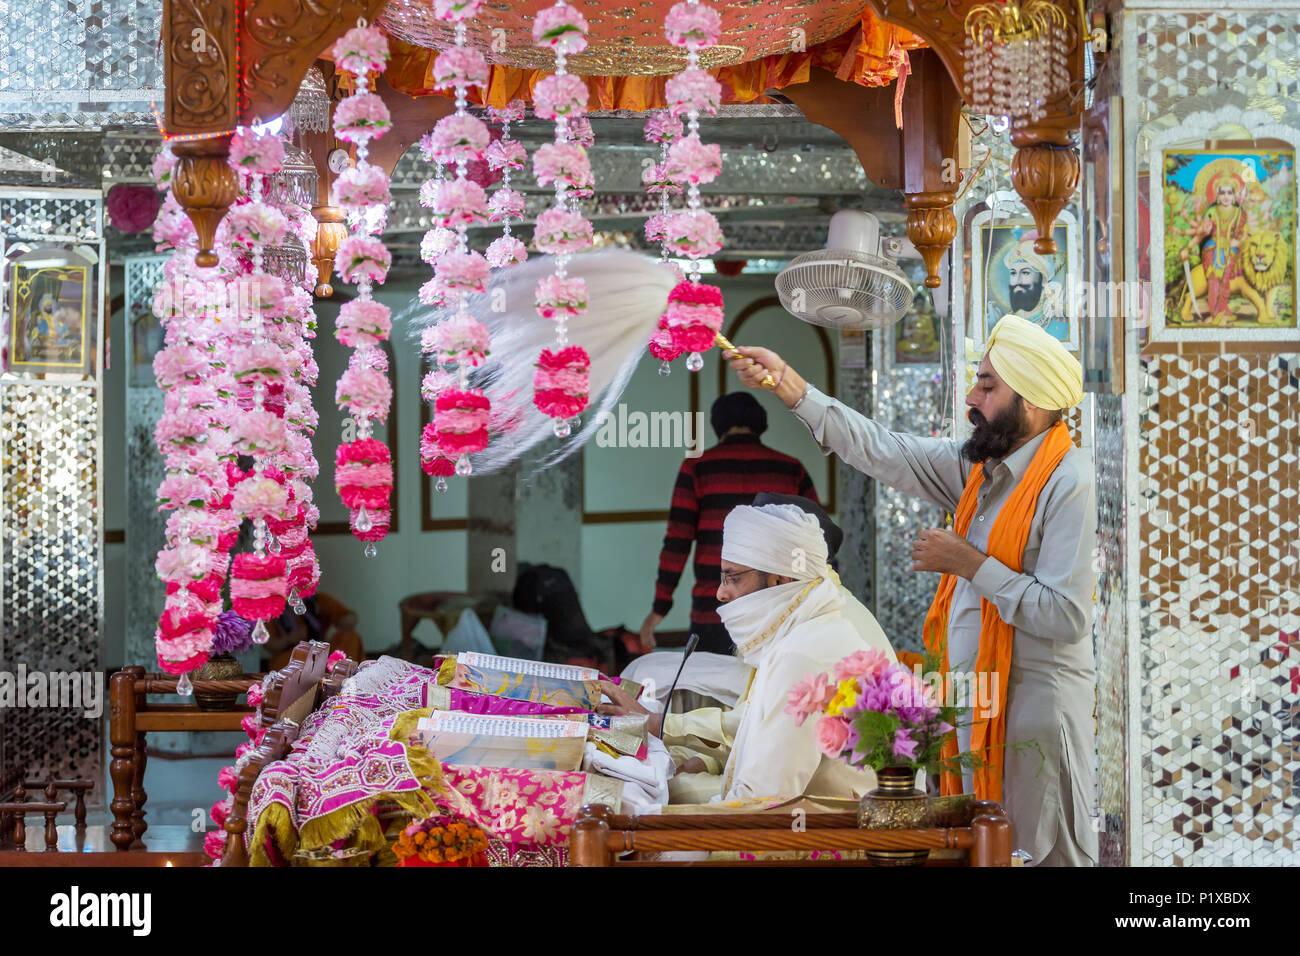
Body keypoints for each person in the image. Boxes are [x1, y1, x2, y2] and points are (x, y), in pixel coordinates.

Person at [724, 315, 1098, 866]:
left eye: (989, 385)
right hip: (975, 704)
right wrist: (793, 389)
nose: (973, 396)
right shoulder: (979, 470)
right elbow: (885, 450)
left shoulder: (1070, 480)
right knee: (985, 851)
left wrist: (970, 563)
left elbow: (1065, 616)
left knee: (1043, 855)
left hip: (1036, 715)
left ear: (1035, 400)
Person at [604, 502, 883, 804]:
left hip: (826, 831)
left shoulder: (802, 653)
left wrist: (646, 824)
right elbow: (756, 726)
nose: (720, 593)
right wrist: (673, 732)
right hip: (807, 810)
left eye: (733, 578)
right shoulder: (809, 619)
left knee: (641, 798)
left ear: (780, 581)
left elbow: (763, 804)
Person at [640, 392, 818, 655]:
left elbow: (676, 543)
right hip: (778, 609)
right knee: (771, 691)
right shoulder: (791, 469)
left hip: (714, 609)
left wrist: (659, 609)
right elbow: (817, 538)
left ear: (717, 425)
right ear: (760, 423)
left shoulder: (697, 468)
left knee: (712, 689)